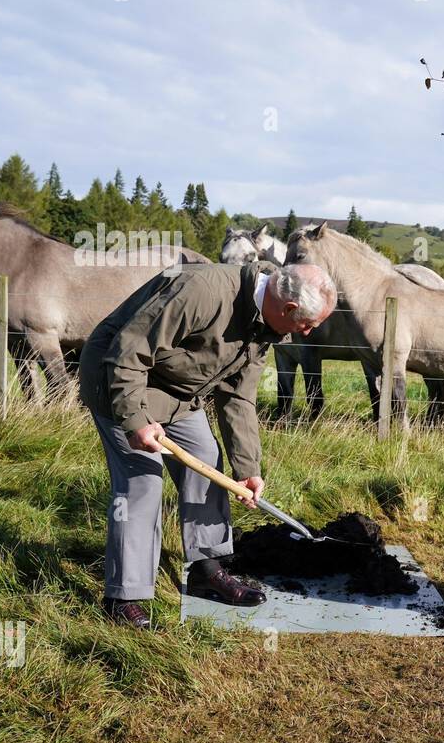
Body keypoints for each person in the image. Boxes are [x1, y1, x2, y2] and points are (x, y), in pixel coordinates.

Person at [78, 260, 337, 629]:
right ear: (289, 308)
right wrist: (135, 421)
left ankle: (206, 567)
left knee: (207, 460)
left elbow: (239, 398)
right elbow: (128, 352)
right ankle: (124, 596)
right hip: (119, 381)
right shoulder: (202, 292)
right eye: (307, 324)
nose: (308, 333)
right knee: (142, 482)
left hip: (177, 393)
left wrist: (247, 470)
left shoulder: (266, 325)